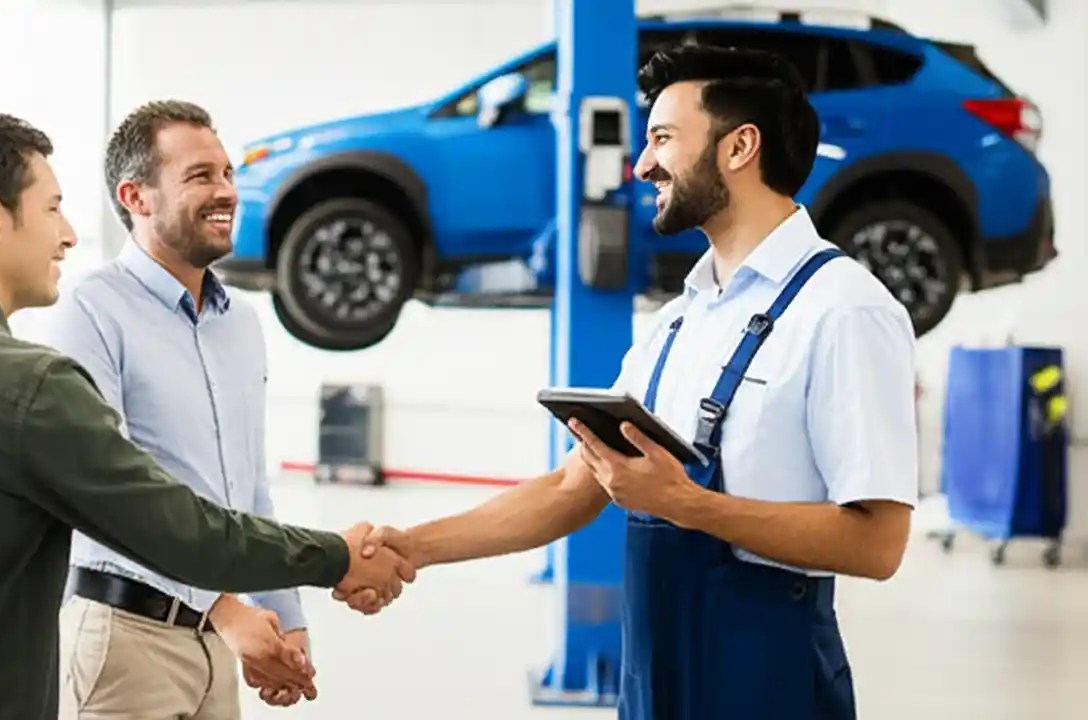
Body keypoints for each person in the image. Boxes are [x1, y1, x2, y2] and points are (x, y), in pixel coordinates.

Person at [338, 44, 919, 719]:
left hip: (771, 677)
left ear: (740, 147)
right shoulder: (679, 322)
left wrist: (692, 506)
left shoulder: (846, 310)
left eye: (663, 139)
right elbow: (570, 487)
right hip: (655, 669)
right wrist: (413, 547)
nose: (642, 165)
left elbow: (877, 544)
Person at [0, 106, 413, 720]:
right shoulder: (27, 380)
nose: (69, 234)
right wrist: (336, 556)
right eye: (52, 208)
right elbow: (178, 529)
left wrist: (284, 609)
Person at [38, 100, 311, 719]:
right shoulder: (90, 310)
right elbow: (107, 491)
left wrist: (285, 618)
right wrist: (229, 608)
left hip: (217, 643)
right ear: (137, 196)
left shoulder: (240, 323)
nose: (225, 192)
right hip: (124, 642)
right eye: (200, 177)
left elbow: (247, 492)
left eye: (227, 174)